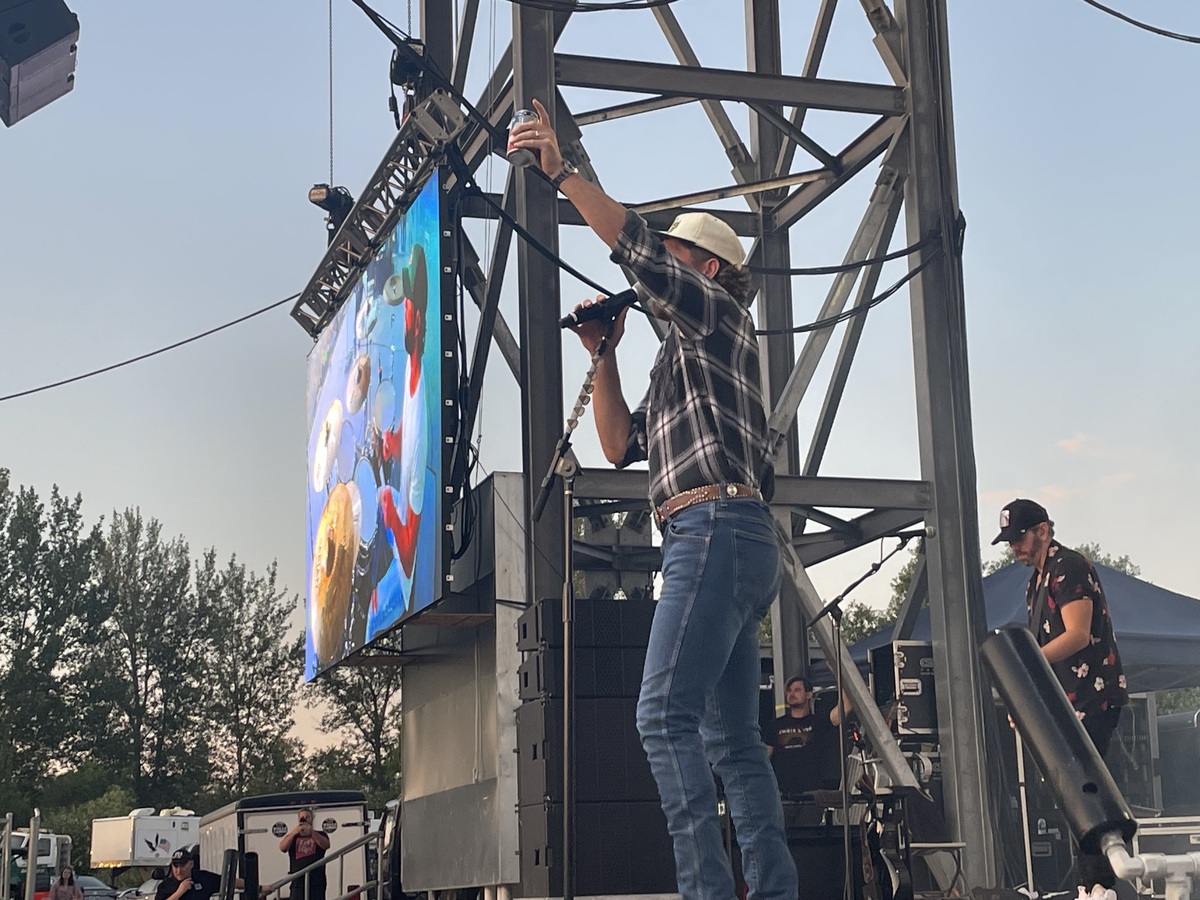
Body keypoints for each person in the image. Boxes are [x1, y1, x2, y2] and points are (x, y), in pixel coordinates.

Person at [511, 99, 797, 900]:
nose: (655, 268)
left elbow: (635, 248)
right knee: (730, 741)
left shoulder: (717, 311)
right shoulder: (687, 357)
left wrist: (562, 173)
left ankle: (708, 892)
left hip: (709, 529)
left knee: (660, 719)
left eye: (675, 253)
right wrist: (602, 356)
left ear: (703, 267)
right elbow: (616, 445)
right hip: (726, 536)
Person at [993, 498, 1128, 899]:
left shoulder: (1068, 566)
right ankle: (1092, 884)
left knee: (1088, 796)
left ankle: (1100, 885)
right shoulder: (1036, 581)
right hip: (1067, 704)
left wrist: (1024, 669)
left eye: (1019, 537)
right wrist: (1025, 698)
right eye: (1010, 540)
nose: (1015, 547)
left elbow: (1077, 634)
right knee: (1074, 799)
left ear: (1044, 531)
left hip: (1093, 699)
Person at [764, 675, 845, 800]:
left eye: (797, 690)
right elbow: (765, 758)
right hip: (783, 796)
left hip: (813, 795)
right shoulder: (775, 725)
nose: (792, 694)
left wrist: (839, 673)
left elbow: (845, 708)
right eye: (789, 691)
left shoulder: (818, 722)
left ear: (809, 695)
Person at [279, 808, 331, 900]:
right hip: (298, 881)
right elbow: (283, 848)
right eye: (302, 817)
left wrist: (311, 832)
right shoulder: (293, 837)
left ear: (312, 819)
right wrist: (295, 831)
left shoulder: (320, 834)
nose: (305, 819)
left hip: (317, 880)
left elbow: (326, 845)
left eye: (307, 817)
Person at [155, 846, 222, 900]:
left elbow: (226, 881)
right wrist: (179, 892)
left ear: (191, 864)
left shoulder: (203, 878)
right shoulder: (165, 886)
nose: (179, 871)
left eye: (182, 866)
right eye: (176, 866)